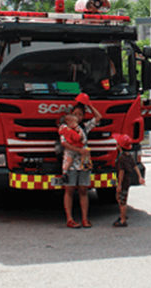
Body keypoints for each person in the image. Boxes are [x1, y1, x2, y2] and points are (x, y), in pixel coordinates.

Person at [61, 93, 101, 228]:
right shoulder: (64, 128)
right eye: (75, 114)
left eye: (80, 114)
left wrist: (89, 105)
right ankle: (70, 219)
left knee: (84, 190)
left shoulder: (84, 127)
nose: (77, 117)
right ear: (71, 114)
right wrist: (80, 151)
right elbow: (64, 144)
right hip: (70, 163)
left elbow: (98, 117)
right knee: (69, 189)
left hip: (84, 163)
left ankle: (85, 218)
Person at [112, 133, 144, 227]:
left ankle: (123, 219)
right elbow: (135, 166)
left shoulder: (121, 158)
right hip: (127, 181)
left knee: (122, 201)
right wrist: (139, 176)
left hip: (123, 182)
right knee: (120, 198)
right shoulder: (129, 156)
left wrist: (119, 185)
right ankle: (123, 215)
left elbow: (121, 172)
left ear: (120, 146)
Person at [59, 112, 91, 176]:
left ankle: (65, 172)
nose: (76, 124)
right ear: (68, 123)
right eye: (74, 122)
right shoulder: (71, 131)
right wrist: (79, 133)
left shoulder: (64, 129)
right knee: (86, 152)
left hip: (72, 151)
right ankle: (85, 165)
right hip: (76, 147)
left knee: (69, 161)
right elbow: (77, 138)